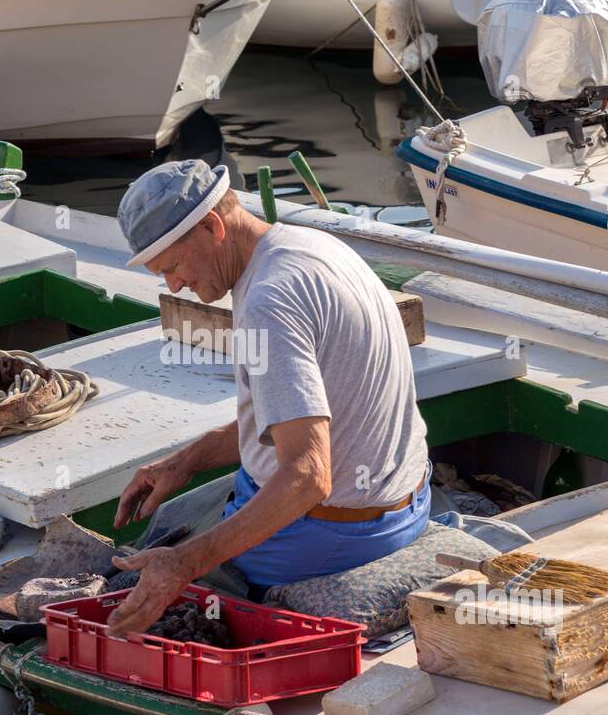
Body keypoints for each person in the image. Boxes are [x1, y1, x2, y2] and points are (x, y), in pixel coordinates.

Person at [106, 159, 430, 636]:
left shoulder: (268, 303)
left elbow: (306, 479)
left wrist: (184, 564)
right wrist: (187, 461)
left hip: (332, 533)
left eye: (173, 266)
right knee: (180, 520)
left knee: (140, 580)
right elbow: (301, 416)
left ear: (213, 225)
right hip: (407, 503)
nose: (174, 286)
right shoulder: (310, 245)